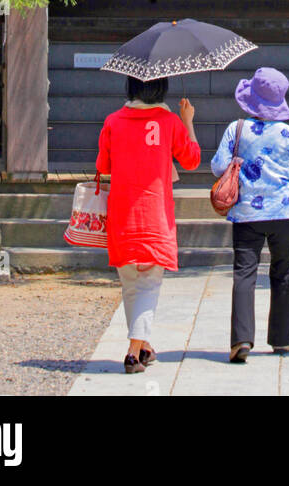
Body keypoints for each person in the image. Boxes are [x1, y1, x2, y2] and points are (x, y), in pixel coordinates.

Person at [211, 66, 289, 363]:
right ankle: (282, 339)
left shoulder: (236, 129)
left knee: (244, 273)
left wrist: (238, 159)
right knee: (283, 272)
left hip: (246, 214)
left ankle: (241, 339)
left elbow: (217, 166)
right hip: (284, 214)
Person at [96, 75, 200, 373]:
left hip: (123, 211)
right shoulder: (169, 123)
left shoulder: (113, 121)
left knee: (131, 284)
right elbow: (192, 160)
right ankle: (133, 348)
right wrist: (187, 120)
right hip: (155, 211)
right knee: (150, 283)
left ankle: (144, 346)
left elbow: (103, 166)